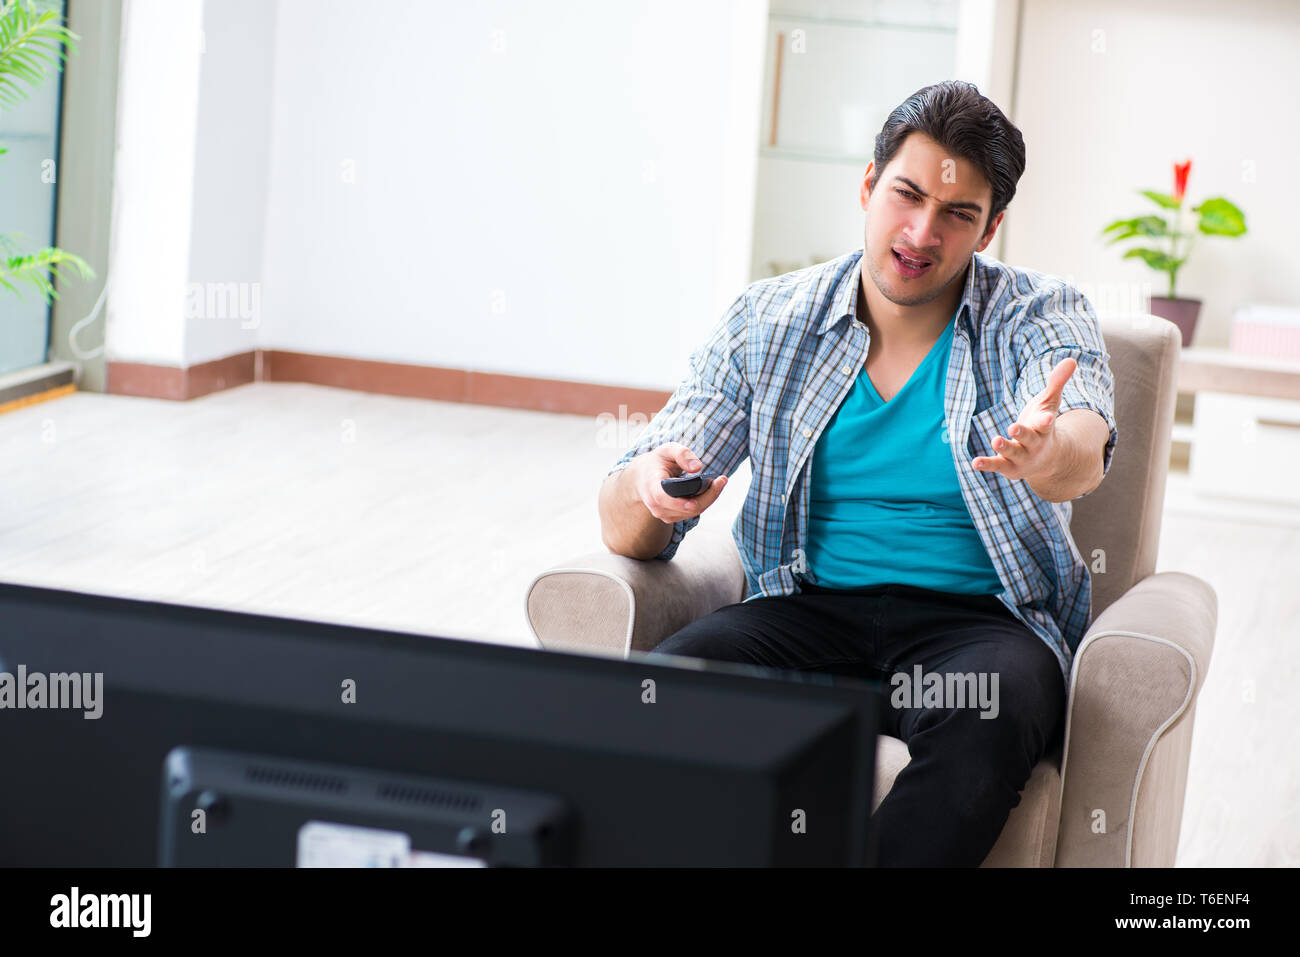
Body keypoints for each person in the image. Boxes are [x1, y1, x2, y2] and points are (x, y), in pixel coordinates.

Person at [596, 80, 1118, 866]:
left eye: (957, 214)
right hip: (810, 619)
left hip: (975, 632)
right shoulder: (769, 321)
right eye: (906, 194)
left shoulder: (1036, 314)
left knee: (993, 713)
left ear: (991, 228)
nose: (920, 232)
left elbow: (1082, 437)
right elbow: (624, 520)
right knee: (663, 689)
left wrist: (1049, 454)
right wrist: (648, 488)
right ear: (869, 185)